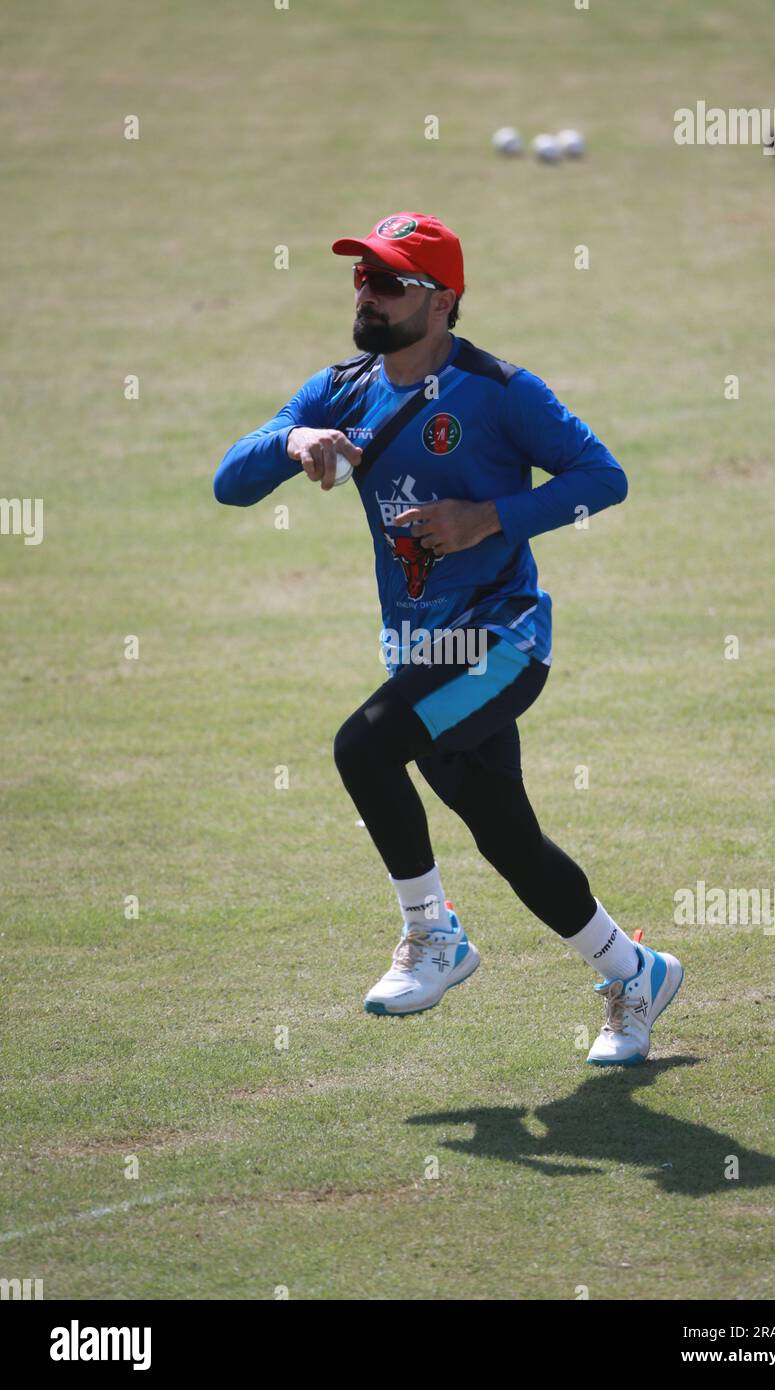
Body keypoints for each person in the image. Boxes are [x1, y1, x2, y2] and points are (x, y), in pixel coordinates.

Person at [213, 211, 683, 1065]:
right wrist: (292, 438)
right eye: (361, 276)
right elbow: (228, 484)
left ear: (442, 302)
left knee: (362, 748)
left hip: (502, 643)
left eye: (388, 281)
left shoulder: (501, 391)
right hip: (419, 653)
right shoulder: (341, 389)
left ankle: (433, 936)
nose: (366, 291)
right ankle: (633, 970)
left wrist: (487, 519)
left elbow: (601, 479)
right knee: (506, 836)